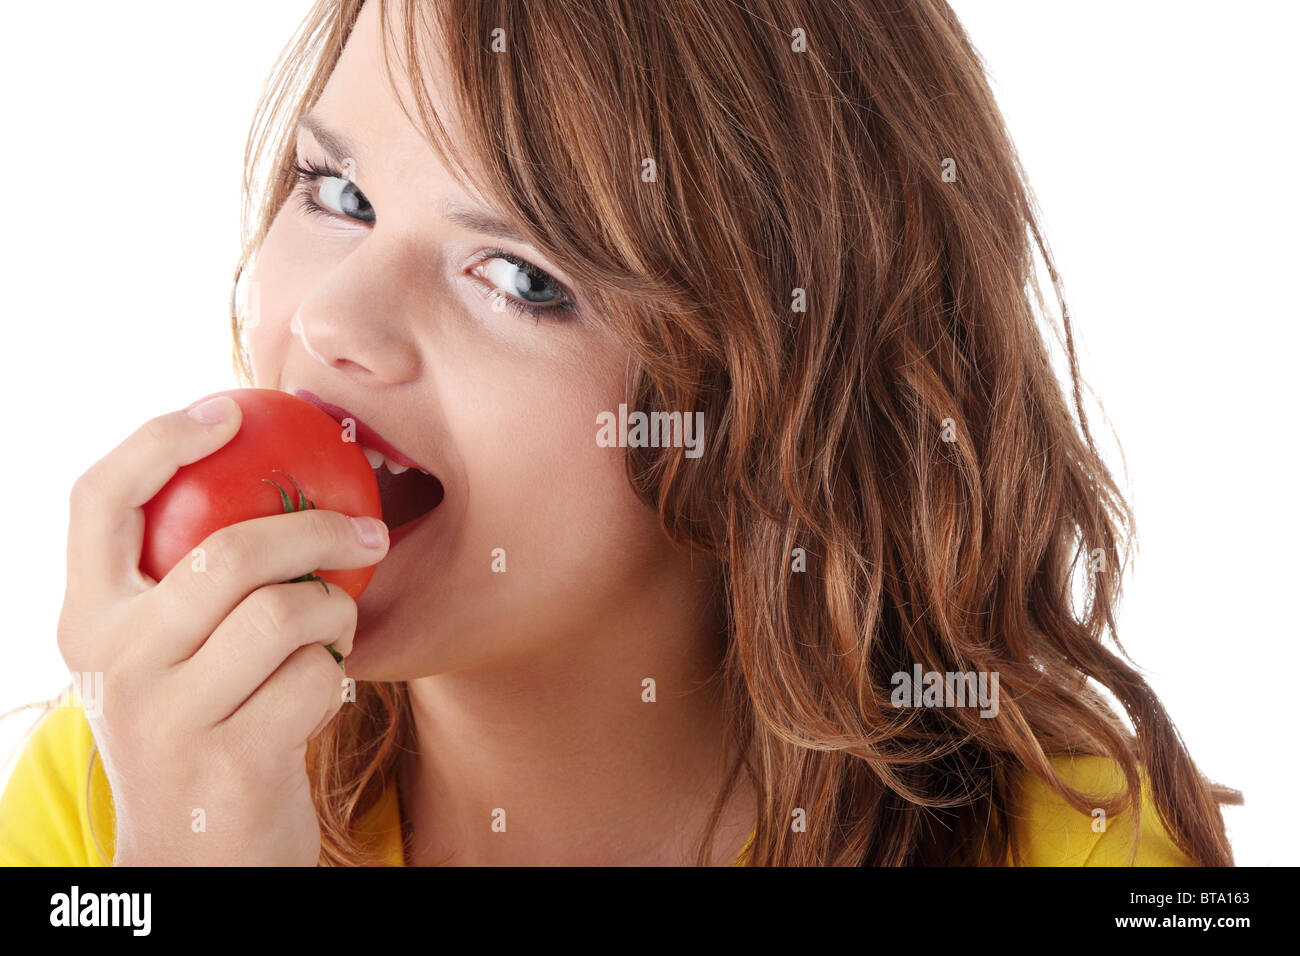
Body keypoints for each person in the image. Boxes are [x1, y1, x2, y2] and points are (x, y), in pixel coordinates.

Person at [0, 0, 1236, 866]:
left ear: (775, 411)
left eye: (521, 277)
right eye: (340, 194)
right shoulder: (122, 787)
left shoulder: (1078, 849)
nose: (334, 318)